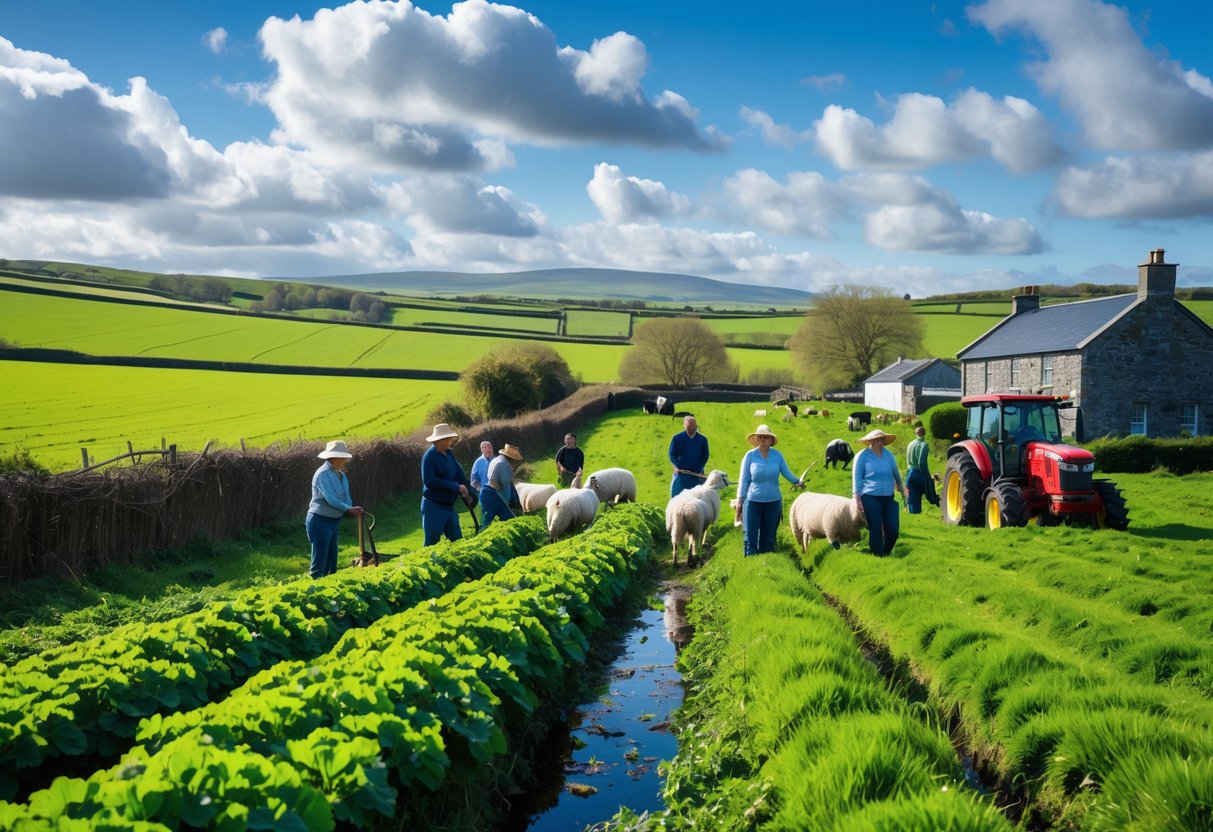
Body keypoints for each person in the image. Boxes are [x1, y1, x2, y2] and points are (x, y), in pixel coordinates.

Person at [735, 424, 802, 556]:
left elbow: (786, 472)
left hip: (773, 501)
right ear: (756, 440)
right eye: (760, 438)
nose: (763, 440)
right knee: (750, 536)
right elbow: (744, 480)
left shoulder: (778, 456)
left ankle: (766, 562)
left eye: (766, 438)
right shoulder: (750, 456)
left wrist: (797, 481)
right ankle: (751, 562)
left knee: (768, 536)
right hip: (753, 501)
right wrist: (740, 500)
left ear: (771, 440)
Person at [306, 439, 364, 579]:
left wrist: (351, 507)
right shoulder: (322, 474)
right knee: (319, 562)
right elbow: (330, 498)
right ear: (336, 456)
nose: (345, 459)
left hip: (333, 522)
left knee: (332, 562)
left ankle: (328, 593)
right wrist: (347, 509)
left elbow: (345, 496)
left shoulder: (341, 476)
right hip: (319, 521)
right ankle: (313, 592)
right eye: (343, 456)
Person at [852, 428, 908, 555]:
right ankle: (878, 556)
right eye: (877, 440)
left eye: (882, 440)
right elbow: (857, 477)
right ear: (871, 441)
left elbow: (896, 474)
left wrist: (902, 489)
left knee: (893, 530)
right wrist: (857, 497)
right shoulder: (862, 456)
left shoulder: (889, 456)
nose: (880, 442)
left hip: (888, 496)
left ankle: (886, 552)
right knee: (876, 529)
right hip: (870, 496)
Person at [420, 423, 470, 546]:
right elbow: (429, 481)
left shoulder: (448, 453)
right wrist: (455, 487)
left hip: (448, 507)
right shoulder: (429, 456)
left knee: (458, 542)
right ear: (441, 440)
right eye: (449, 438)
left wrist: (467, 489)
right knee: (431, 545)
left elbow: (458, 473)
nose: (451, 440)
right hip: (433, 507)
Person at [482, 444, 524, 527]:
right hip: (495, 495)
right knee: (511, 521)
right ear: (511, 458)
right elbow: (506, 486)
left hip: (486, 491)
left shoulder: (496, 460)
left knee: (486, 523)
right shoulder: (505, 465)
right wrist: (510, 503)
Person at [669, 415, 709, 497]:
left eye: (694, 429)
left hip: (696, 474)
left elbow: (705, 456)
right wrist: (677, 466)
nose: (691, 431)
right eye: (689, 429)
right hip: (681, 474)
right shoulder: (677, 438)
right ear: (684, 427)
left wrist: (698, 467)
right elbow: (672, 454)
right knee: (676, 498)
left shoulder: (702, 440)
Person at [904, 426, 939, 514]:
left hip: (909, 473)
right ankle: (937, 501)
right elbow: (921, 462)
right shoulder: (924, 445)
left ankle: (913, 514)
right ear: (924, 433)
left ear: (916, 433)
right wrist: (926, 475)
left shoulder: (910, 444)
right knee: (929, 491)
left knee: (913, 496)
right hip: (918, 473)